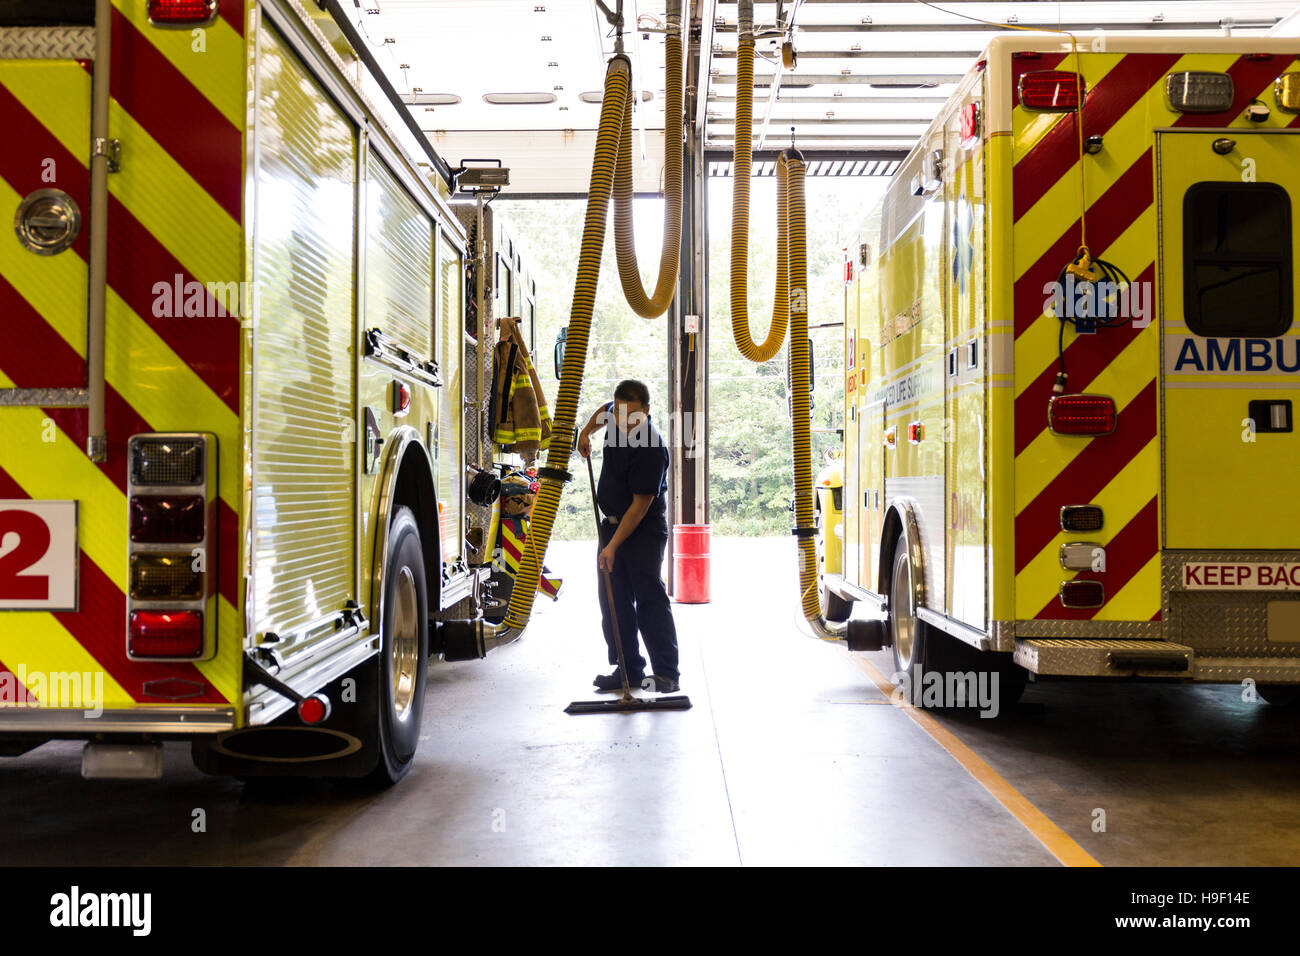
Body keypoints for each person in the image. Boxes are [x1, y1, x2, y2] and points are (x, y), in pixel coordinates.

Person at [577, 379, 680, 693]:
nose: (623, 421)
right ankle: (629, 669)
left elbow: (639, 506)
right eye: (619, 415)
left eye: (632, 416)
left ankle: (666, 674)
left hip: (643, 531)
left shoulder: (651, 445)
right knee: (613, 602)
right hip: (611, 526)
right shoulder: (616, 414)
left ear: (647, 412)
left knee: (649, 599)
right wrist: (585, 433)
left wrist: (612, 547)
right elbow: (602, 412)